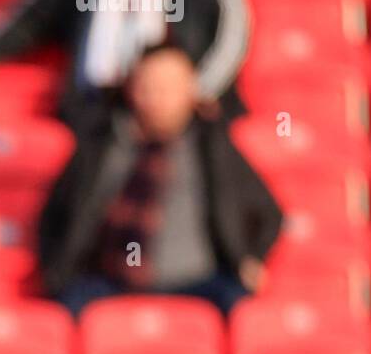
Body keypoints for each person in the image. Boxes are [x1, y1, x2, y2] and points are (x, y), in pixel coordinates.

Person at [38, 43, 281, 316]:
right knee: (58, 315)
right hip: (108, 282)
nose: (158, 99)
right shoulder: (101, 144)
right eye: (149, 87)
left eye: (168, 88)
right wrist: (55, 268)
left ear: (190, 90)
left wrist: (251, 258)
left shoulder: (212, 146)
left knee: (247, 315)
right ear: (132, 88)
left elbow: (269, 212)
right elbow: (55, 214)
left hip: (198, 282)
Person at [0, 0, 249, 133]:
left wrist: (200, 89)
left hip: (179, 114)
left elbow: (233, 30)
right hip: (96, 113)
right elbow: (26, 23)